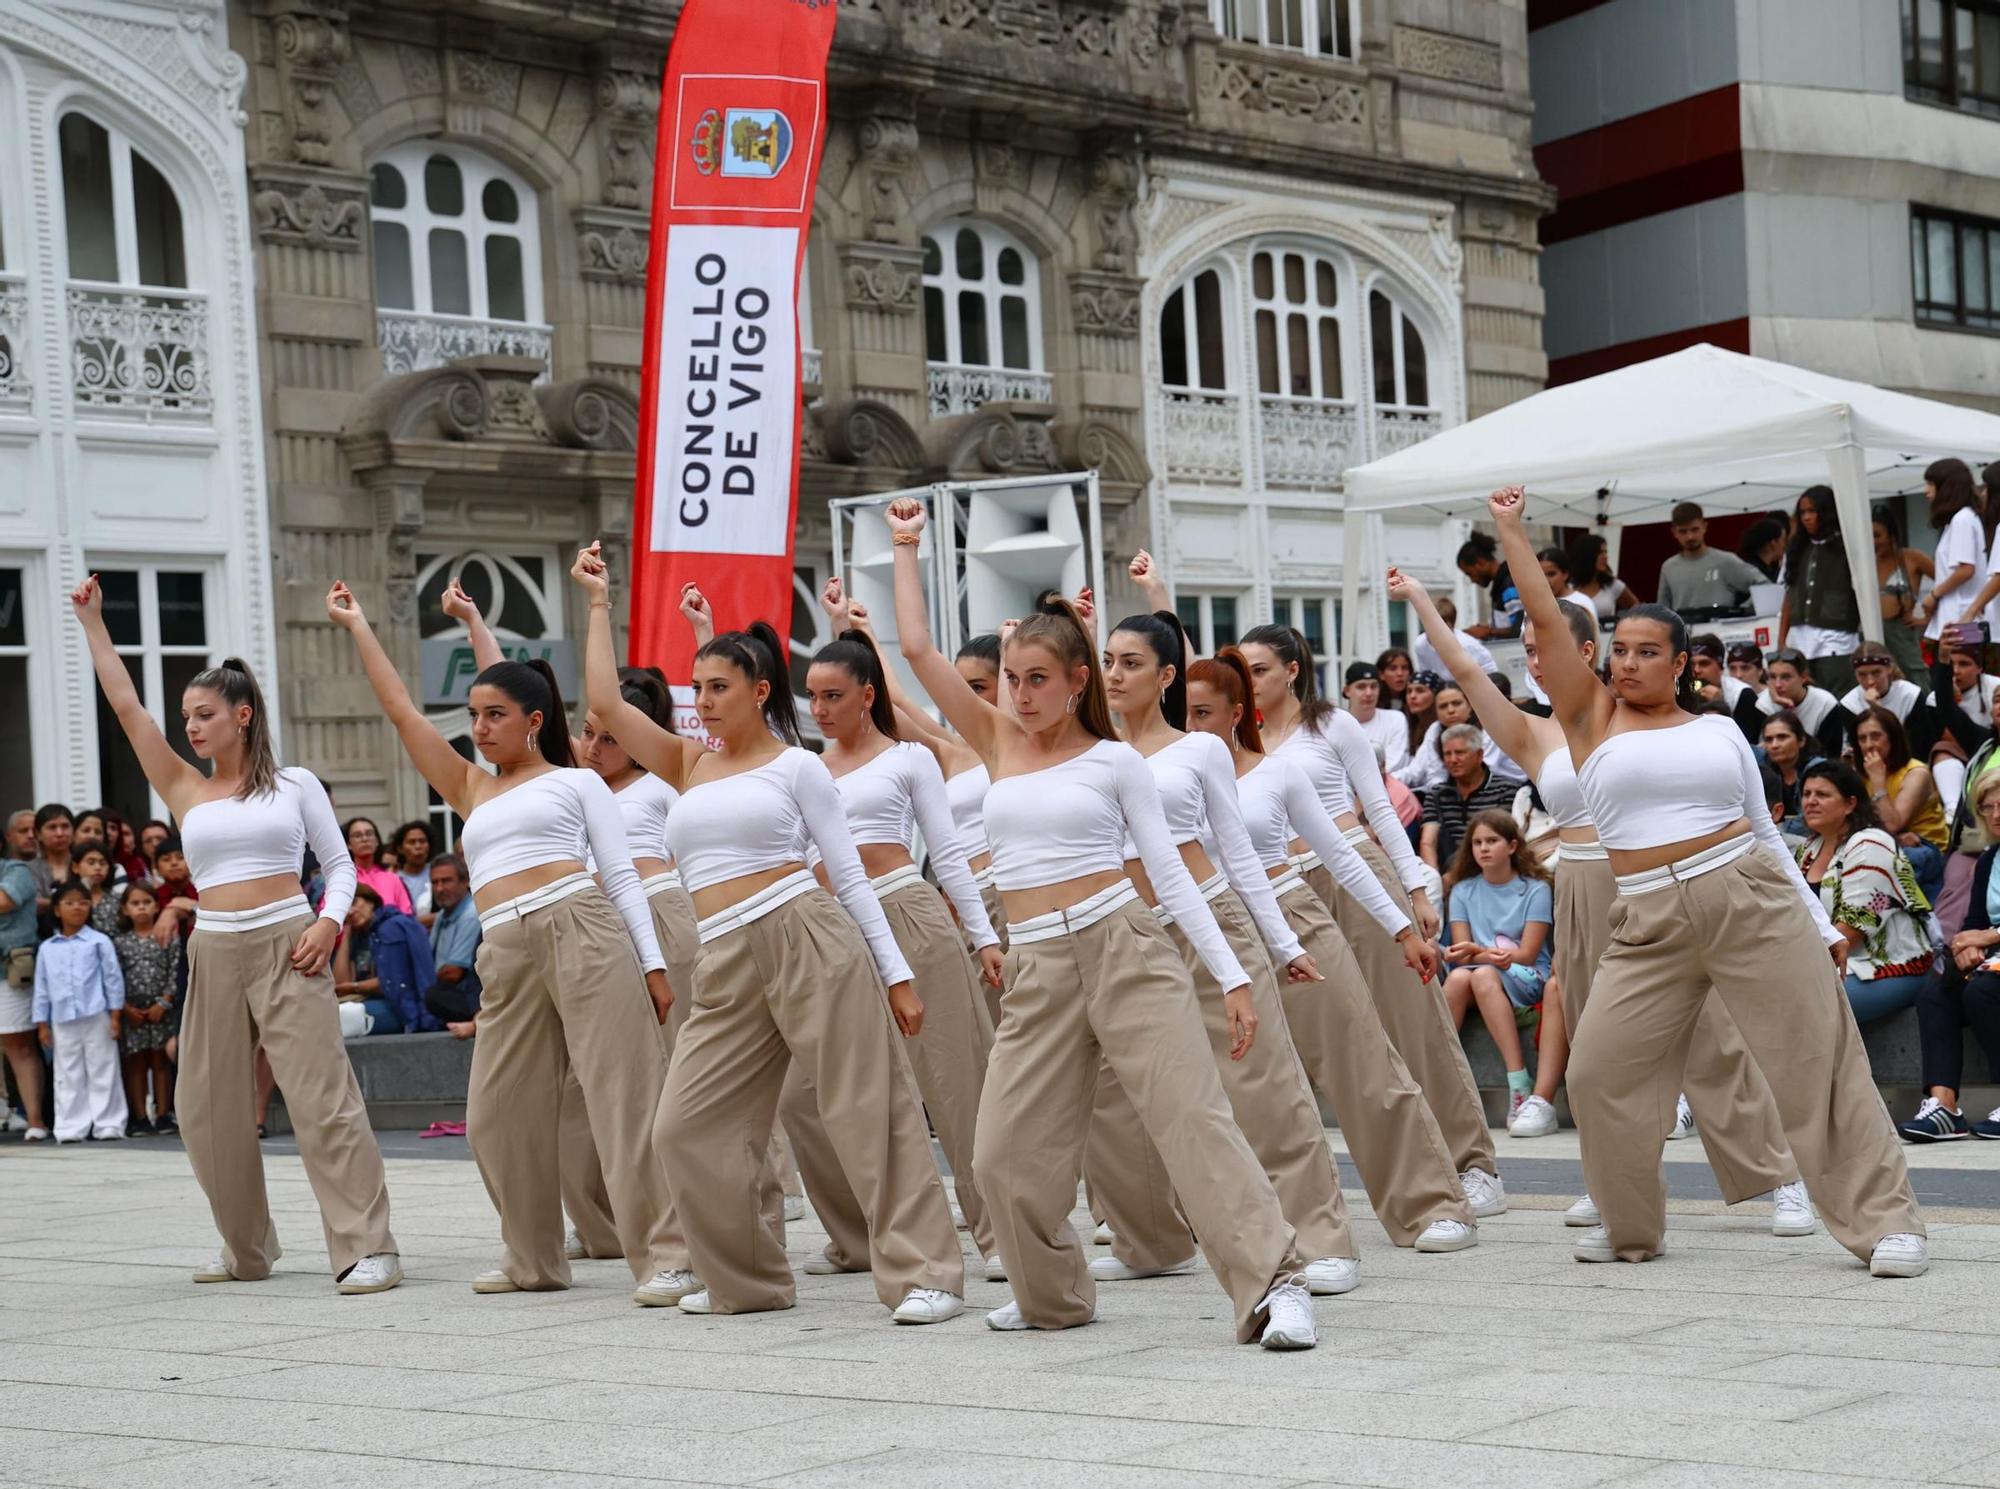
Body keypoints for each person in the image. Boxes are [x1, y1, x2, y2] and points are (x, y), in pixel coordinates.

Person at [885, 502, 1316, 1348]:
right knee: (1000, 1153)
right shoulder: (996, 741)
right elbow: (916, 652)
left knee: (1193, 1122)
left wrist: (1231, 972)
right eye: (1013, 677)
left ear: (1078, 681)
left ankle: (1276, 1284)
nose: (1021, 692)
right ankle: (1052, 1295)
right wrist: (906, 547)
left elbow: (1167, 875)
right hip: (1038, 962)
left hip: (1125, 943)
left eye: (1039, 677)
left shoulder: (1117, 760)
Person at [1489, 481, 1927, 1277]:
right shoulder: (1588, 718)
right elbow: (1547, 622)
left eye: (1646, 651)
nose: (1627, 662)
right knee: (1595, 1071)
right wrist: (1513, 532)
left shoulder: (1724, 731)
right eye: (1618, 649)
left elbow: (1766, 835)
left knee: (1817, 1055)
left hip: (1746, 893)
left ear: (1683, 662)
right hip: (1647, 915)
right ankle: (1632, 1227)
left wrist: (1823, 923)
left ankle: (1886, 1222)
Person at [572, 544, 966, 1327]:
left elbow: (848, 875)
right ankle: (748, 1278)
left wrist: (896, 974)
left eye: (720, 687)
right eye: (698, 688)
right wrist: (595, 603)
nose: (705, 700)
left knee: (867, 1107)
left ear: (760, 692)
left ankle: (928, 1273)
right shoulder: (686, 763)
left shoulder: (799, 769)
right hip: (720, 954)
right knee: (684, 1126)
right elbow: (609, 707)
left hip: (805, 933)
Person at [1396, 567, 1810, 1233]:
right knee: (1597, 1046)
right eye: (1525, 648)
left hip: (1660, 876)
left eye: (1543, 645)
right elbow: (1468, 673)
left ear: (1584, 651)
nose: (1532, 658)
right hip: (1584, 886)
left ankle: (1781, 1174)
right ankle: (1610, 1179)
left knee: (1710, 1038)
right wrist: (1420, 600)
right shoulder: (1534, 732)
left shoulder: (1637, 718)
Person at [328, 576, 672, 1304]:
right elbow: (401, 713)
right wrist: (360, 627)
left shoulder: (576, 783)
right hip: (505, 951)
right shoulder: (470, 788)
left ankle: (666, 1254)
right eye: (474, 714)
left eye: (495, 714)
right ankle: (534, 1257)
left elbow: (619, 874)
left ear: (534, 720)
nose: (479, 727)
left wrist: (654, 963)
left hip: (583, 926)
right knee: (493, 1114)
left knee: (623, 1100)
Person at [76, 578, 400, 1293]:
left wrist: (326, 919)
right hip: (214, 946)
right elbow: (126, 707)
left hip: (290, 940)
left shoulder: (295, 785)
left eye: (204, 714)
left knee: (322, 1099)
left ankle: (367, 1245)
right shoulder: (183, 786)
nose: (191, 726)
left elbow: (339, 864)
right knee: (202, 1106)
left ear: (242, 715)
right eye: (187, 716)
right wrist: (94, 623)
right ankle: (246, 1248)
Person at [1086, 610, 1364, 1297]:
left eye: (1130, 662)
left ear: (1166, 675)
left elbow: (1237, 850)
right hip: (1127, 930)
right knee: (1113, 1094)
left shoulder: (1199, 749)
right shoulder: (1091, 754)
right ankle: (1149, 1237)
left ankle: (1321, 1237)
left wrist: (1283, 939)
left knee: (1262, 1086)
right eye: (1108, 660)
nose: (1115, 674)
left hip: (1211, 918)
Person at [1182, 649, 1474, 1251]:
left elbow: (1342, 851)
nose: (1192, 726)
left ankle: (1431, 1202)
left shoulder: (1277, 771)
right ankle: (1268, 1224)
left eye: (1204, 712)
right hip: (1212, 928)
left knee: (1361, 1059)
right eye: (1183, 713)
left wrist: (1402, 925)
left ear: (1238, 714)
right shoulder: (1159, 775)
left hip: (1292, 910)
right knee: (1243, 1088)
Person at [1237, 622, 1506, 1221]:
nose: (1250, 682)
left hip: (1353, 867)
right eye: (1242, 670)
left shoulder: (1330, 725)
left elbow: (1380, 806)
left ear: (1291, 670)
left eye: (1259, 669)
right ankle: (1399, 1174)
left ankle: (1474, 1164)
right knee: (1332, 1036)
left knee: (1415, 1021)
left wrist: (1416, 888)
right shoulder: (1233, 738)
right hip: (1282, 885)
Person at [789, 605, 1004, 1283]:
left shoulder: (909, 758)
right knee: (806, 1093)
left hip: (908, 912)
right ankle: (858, 1235)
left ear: (867, 695)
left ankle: (1000, 1232)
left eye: (834, 695)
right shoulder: (804, 770)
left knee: (955, 1079)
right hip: (832, 929)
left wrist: (982, 935)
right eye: (813, 697)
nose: (821, 709)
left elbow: (945, 849)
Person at [1795, 760, 1935, 1027]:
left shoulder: (1871, 842)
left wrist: (1795, 968)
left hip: (1890, 964)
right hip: (1827, 964)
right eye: (1806, 794)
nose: (1811, 801)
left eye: (1822, 794)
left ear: (1850, 804)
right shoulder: (1807, 849)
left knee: (1807, 1002)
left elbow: (1851, 931)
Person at [1901, 770, 2000, 1142]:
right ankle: (1944, 1106)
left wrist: (1987, 936)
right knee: (1936, 993)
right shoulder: (1990, 859)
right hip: (1994, 960)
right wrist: (1967, 946)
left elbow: (1984, 928)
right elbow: (1973, 922)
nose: (1994, 814)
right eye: (1986, 807)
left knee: (1984, 991)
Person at [1442, 810, 1555, 1130]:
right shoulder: (1463, 891)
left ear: (1512, 846)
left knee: (1480, 974)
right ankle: (1442, 1078)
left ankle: (1518, 1081)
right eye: (1477, 842)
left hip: (1527, 974)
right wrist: (1473, 955)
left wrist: (1478, 953)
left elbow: (1528, 954)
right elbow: (1463, 955)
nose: (1483, 848)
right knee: (1462, 977)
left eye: (1492, 841)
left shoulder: (1535, 889)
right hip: (1481, 975)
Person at [33, 881, 126, 1143]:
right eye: (70, 903)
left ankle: (108, 1123)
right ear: (57, 909)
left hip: (96, 1014)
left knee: (103, 1067)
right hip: (62, 1018)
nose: (77, 908)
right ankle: (70, 1125)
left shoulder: (99, 941)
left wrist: (115, 1015)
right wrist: (41, 1023)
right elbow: (41, 987)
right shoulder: (48, 948)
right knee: (67, 1071)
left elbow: (112, 979)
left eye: (83, 902)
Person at [1854, 705, 1947, 901]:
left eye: (1875, 736)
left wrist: (1878, 782)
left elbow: (1893, 824)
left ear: (1892, 738)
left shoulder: (1916, 773)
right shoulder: (1861, 773)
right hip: (1886, 844)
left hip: (1925, 850)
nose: (1869, 745)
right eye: (1862, 738)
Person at [1777, 486, 1860, 698]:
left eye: (1812, 511)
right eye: (1803, 512)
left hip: (1837, 639)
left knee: (1839, 700)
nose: (1807, 517)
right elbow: (1788, 596)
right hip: (1799, 640)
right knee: (1804, 700)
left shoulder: (1847, 548)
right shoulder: (1795, 548)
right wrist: (1781, 640)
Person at [111, 882, 178, 1134]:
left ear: (156, 906)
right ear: (125, 909)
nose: (141, 908)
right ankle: (139, 1116)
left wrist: (164, 1001)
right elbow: (114, 976)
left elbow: (174, 970)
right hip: (132, 1013)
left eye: (146, 902)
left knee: (161, 1060)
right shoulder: (119, 942)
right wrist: (125, 1008)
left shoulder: (167, 935)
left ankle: (163, 1114)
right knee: (136, 1063)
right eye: (135, 903)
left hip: (162, 1009)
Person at [332, 884, 437, 1036]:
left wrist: (355, 987)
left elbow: (395, 981)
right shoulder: (358, 935)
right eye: (344, 909)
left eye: (354, 903)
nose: (350, 912)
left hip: (401, 1007)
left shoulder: (391, 928)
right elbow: (341, 983)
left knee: (342, 1018)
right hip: (371, 1001)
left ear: (370, 901)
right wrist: (346, 933)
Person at [1420, 724, 1519, 872]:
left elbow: (1502, 842)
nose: (1453, 759)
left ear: (1479, 755)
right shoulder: (1436, 794)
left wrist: (1458, 875)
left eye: (1460, 752)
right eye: (1447, 754)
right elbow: (1428, 842)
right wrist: (1434, 879)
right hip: (1446, 873)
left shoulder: (1505, 790)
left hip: (1491, 869)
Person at [0, 842, 47, 1141]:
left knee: (19, 1045)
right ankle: (8, 1113)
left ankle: (35, 1120)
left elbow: (4, 901)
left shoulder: (15, 870)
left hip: (9, 971)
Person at [1914, 457, 1987, 651]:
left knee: (1956, 674)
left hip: (1960, 616)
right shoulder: (1962, 519)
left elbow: (1966, 569)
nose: (1926, 491)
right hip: (1960, 616)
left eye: (1931, 484)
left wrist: (1934, 594)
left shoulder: (1962, 520)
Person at [1657, 502, 1769, 615]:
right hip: (1684, 629)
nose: (1690, 536)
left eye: (1694, 529)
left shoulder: (1725, 561)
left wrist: (1740, 611)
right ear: (1674, 532)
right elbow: (1662, 611)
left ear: (1704, 527)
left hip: (1719, 629)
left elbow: (1765, 585)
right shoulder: (1669, 568)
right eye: (1683, 531)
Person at [422, 853, 482, 1031]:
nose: (439, 888)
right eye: (435, 882)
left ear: (465, 882)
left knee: (432, 995)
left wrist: (421, 977)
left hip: (471, 993)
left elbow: (454, 973)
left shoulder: (471, 914)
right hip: (448, 987)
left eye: (446, 881)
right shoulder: (442, 914)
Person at [1873, 507, 1935, 679]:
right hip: (1873, 635)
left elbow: (1947, 585)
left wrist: (1928, 617)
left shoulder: (1912, 558)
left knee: (1917, 680)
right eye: (1869, 536)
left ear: (1892, 534)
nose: (1873, 542)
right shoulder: (1867, 563)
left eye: (1878, 535)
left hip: (1904, 635)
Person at [1760, 649, 1845, 761]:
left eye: (1786, 677)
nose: (1778, 684)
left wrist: (1789, 712)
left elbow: (1830, 756)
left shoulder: (1825, 703)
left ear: (1804, 677)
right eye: (1772, 677)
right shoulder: (1762, 704)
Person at [1689, 635, 1764, 744]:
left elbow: (1745, 743)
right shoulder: (1679, 691)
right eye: (1691, 665)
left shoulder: (1741, 694)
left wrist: (1719, 705)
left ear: (1720, 665)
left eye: (1704, 663)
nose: (1696, 670)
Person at [1841, 642, 1924, 736]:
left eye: (1876, 672)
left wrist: (1878, 709)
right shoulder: (1850, 705)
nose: (1870, 681)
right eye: (1862, 675)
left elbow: (1919, 744)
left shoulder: (1910, 695)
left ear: (1889, 668)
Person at [1759, 710, 1819, 833]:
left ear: (1801, 740)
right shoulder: (1764, 773)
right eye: (1769, 739)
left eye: (1782, 737)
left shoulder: (1818, 771)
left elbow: (1811, 821)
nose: (1774, 745)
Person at [1455, 530, 1521, 641]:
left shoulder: (1508, 585)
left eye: (1469, 573)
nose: (1472, 580)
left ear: (1480, 563)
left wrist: (1488, 632)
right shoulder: (1501, 584)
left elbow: (1521, 628)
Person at [1343, 661, 1409, 773]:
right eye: (1361, 687)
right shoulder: (1336, 724)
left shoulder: (1395, 719)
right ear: (1347, 691)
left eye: (1373, 686)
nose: (1369, 693)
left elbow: (1393, 763)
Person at [1412, 596, 1498, 679]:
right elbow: (1426, 675)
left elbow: (1491, 672)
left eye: (1434, 626)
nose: (1430, 631)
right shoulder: (1421, 644)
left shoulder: (1467, 645)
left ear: (1449, 626)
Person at [340, 819, 414, 915]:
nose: (364, 839)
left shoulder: (392, 879)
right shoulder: (342, 879)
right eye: (358, 835)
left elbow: (407, 916)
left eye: (369, 834)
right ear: (348, 844)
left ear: (377, 841)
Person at [1567, 532, 1634, 621]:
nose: (1605, 556)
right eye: (1600, 553)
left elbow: (1637, 610)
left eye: (1605, 552)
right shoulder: (1567, 586)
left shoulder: (1612, 584)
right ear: (1585, 555)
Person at [390, 822, 434, 920]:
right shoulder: (394, 879)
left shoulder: (437, 873)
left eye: (422, 841)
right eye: (412, 842)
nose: (418, 846)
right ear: (400, 849)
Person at [1736, 516, 1789, 584]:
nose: (1785, 545)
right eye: (1783, 540)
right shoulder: (1754, 572)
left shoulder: (1766, 569)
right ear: (1773, 543)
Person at [1374, 647, 1414, 713]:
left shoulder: (1415, 699)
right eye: (1393, 669)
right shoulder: (1373, 701)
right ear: (1381, 674)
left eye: (1404, 668)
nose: (1400, 673)